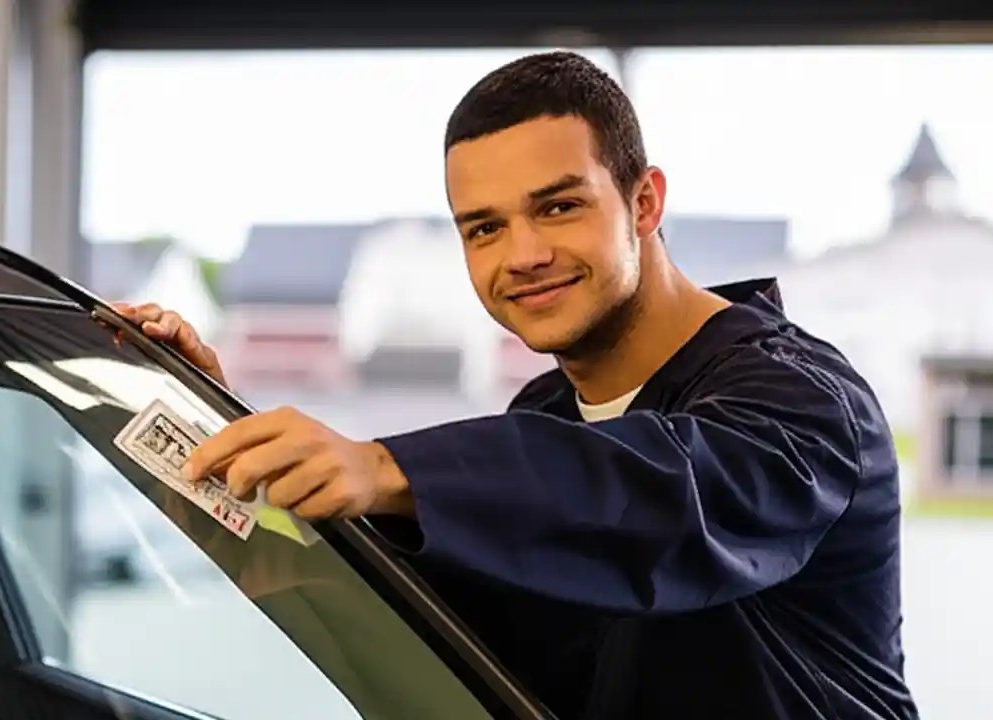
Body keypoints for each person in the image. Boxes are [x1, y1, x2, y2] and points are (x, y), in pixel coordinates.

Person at [116, 51, 919, 720]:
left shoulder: (801, 402)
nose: (522, 253)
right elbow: (444, 639)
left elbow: (660, 500)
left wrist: (389, 466)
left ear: (645, 202)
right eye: (485, 227)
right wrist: (227, 458)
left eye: (559, 206)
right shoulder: (543, 417)